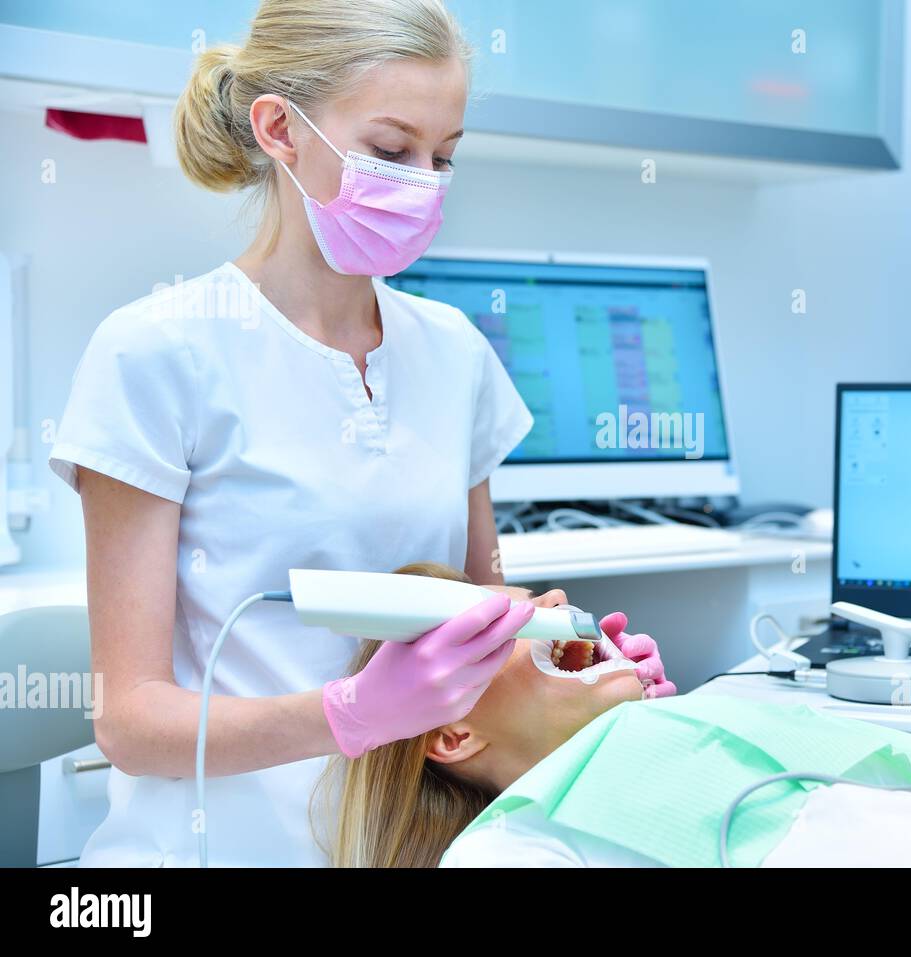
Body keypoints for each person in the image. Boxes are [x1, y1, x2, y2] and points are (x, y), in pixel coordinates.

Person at [48, 0, 669, 867]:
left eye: (443, 156)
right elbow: (131, 723)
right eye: (390, 149)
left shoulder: (454, 351)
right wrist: (348, 712)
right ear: (280, 129)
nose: (422, 179)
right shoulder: (158, 351)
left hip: (408, 846)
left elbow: (490, 615)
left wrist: (576, 661)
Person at [317, 564, 911, 869]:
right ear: (451, 730)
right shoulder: (506, 849)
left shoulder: (675, 745)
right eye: (491, 624)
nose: (547, 601)